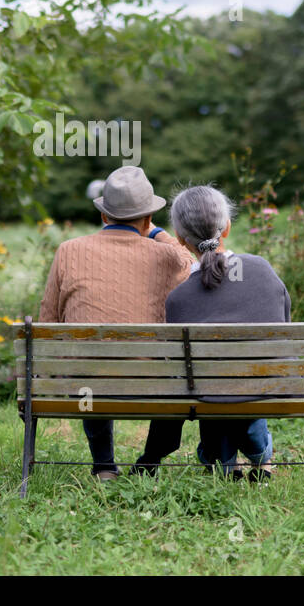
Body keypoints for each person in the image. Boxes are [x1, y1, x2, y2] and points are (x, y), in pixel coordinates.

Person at [38, 165, 193, 479]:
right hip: (150, 384)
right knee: (176, 376)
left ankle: (104, 465)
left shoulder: (67, 251)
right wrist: (159, 234)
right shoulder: (167, 256)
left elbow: (47, 320)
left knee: (92, 359)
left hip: (84, 386)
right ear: (148, 219)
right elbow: (191, 258)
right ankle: (149, 461)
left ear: (103, 216)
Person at [161, 184, 291, 481]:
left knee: (214, 382)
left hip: (208, 395)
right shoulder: (261, 269)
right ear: (228, 227)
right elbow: (284, 330)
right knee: (244, 379)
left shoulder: (179, 298)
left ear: (181, 239)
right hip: (265, 385)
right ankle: (260, 456)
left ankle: (221, 458)